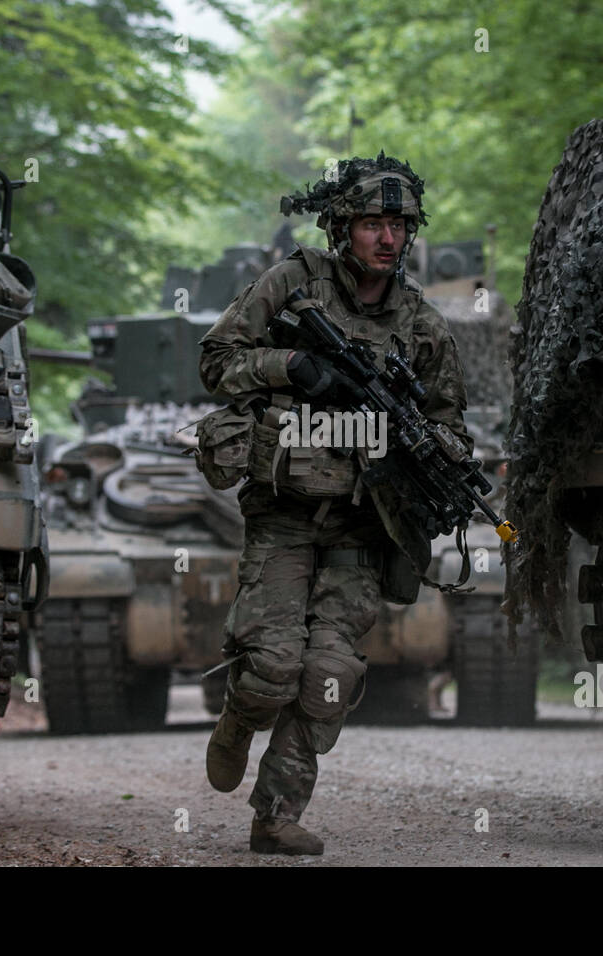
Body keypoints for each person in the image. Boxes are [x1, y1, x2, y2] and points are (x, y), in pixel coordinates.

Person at [198, 152, 472, 855]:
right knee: (271, 668)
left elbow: (451, 426)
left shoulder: (423, 329)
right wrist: (289, 366)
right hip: (286, 513)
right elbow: (215, 361)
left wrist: (432, 453)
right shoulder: (292, 284)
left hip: (363, 524)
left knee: (328, 677)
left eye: (399, 225)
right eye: (372, 224)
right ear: (340, 227)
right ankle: (237, 719)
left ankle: (276, 814)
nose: (387, 238)